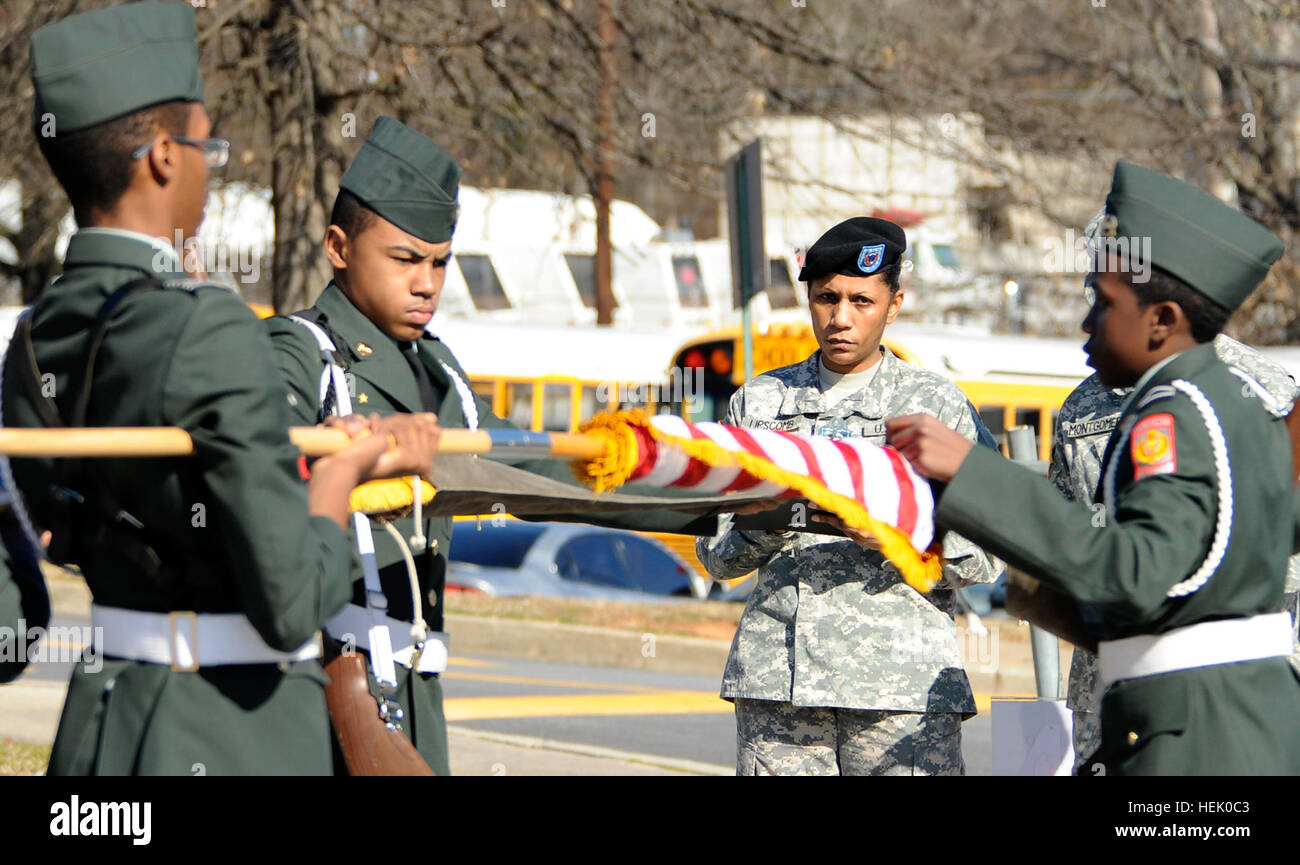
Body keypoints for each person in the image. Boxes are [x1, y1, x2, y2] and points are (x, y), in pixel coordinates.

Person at [7, 1, 440, 775]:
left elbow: (23, 593)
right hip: (227, 734)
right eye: (209, 144)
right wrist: (344, 472)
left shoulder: (35, 336)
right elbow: (290, 603)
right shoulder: (210, 329)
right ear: (166, 156)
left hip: (96, 733)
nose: (215, 164)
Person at [266, 116, 714, 774]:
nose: (427, 282)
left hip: (411, 694)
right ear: (338, 247)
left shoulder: (438, 370)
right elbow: (265, 501)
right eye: (404, 258)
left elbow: (543, 474)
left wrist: (726, 499)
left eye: (440, 262)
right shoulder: (300, 355)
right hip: (323, 693)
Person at [889, 160, 1300, 775]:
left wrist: (974, 474)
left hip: (1198, 732)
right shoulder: (1204, 403)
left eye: (1104, 304)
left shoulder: (1179, 416)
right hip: (1203, 715)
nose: (1085, 324)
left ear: (1162, 321)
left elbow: (1143, 575)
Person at [694, 216, 1002, 776]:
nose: (840, 319)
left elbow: (989, 555)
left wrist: (902, 535)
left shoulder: (936, 406)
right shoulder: (760, 405)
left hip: (902, 692)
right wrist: (767, 521)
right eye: (825, 298)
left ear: (895, 303)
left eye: (862, 301)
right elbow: (715, 556)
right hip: (780, 686)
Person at [1050, 323, 1300, 768]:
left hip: (1238, 671)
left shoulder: (1262, 386)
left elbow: (1282, 548)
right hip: (1112, 671)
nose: (1092, 322)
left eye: (1109, 302)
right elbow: (1062, 538)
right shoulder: (1080, 408)